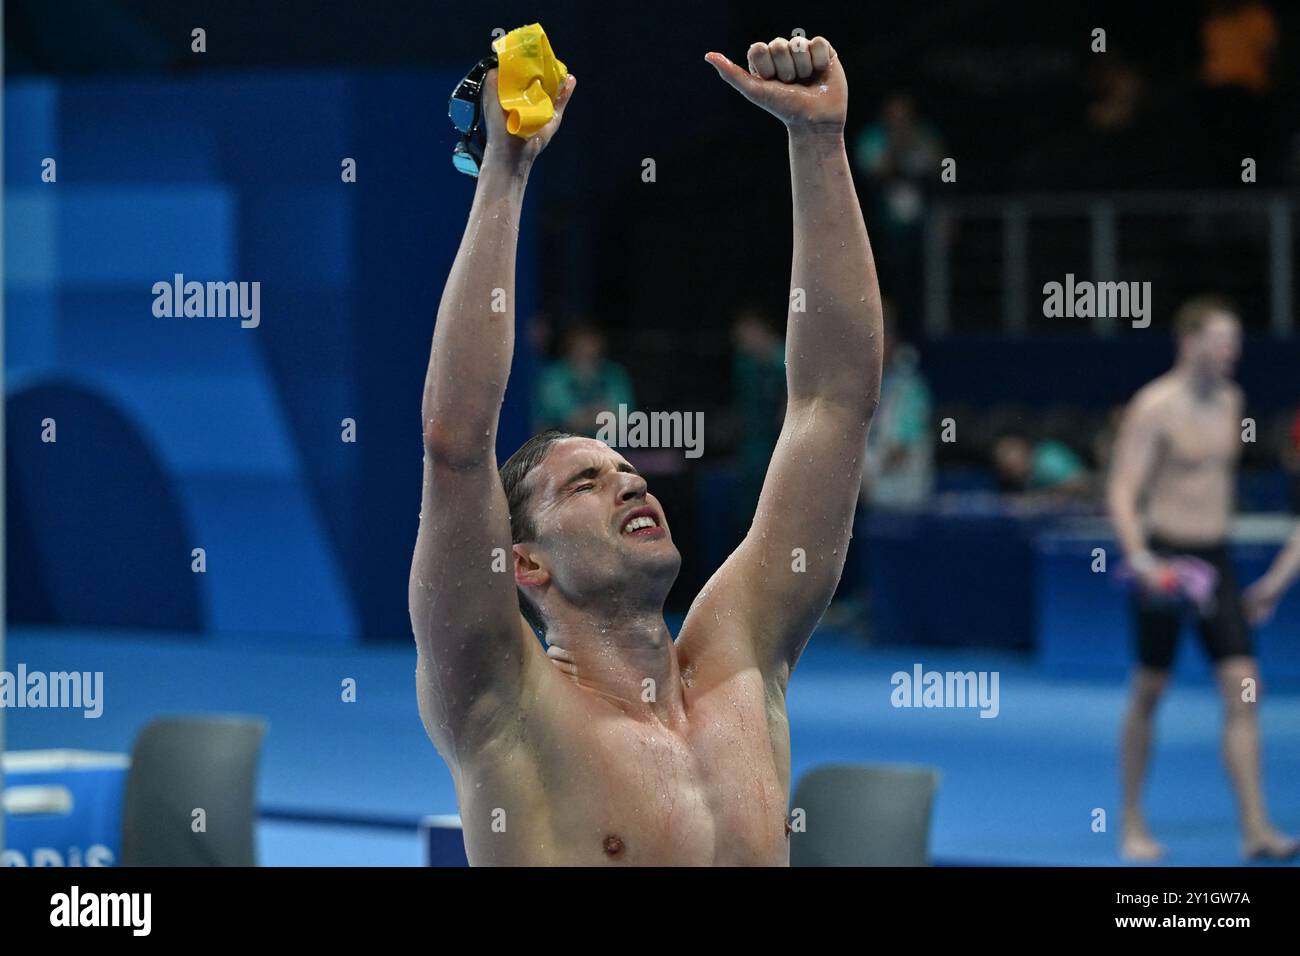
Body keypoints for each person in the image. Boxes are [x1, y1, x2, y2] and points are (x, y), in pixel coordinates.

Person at [411, 34, 882, 865]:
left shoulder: (741, 659)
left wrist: (818, 146)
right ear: (525, 565)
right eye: (585, 484)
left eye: (624, 469)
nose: (627, 482)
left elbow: (833, 405)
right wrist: (506, 173)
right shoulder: (504, 704)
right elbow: (457, 445)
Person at [1106, 295, 1298, 861]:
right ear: (1189, 344)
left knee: (1244, 690)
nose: (1232, 352)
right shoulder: (1153, 406)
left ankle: (1256, 828)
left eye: (1236, 341)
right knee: (1151, 688)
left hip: (1215, 563)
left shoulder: (1235, 401)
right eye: (1221, 341)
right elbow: (1122, 488)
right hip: (1164, 562)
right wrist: (1140, 557)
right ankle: (1131, 822)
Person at [534, 323, 635, 437]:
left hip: (610, 448)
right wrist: (601, 415)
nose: (586, 350)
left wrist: (588, 416)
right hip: (563, 449)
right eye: (581, 345)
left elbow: (623, 421)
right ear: (569, 347)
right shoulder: (554, 376)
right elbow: (572, 421)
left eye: (591, 344)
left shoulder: (615, 374)